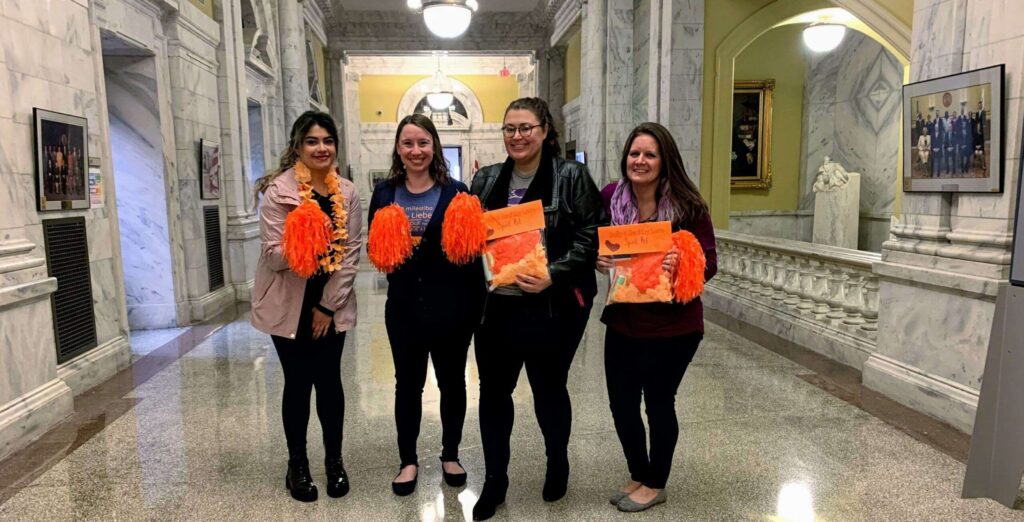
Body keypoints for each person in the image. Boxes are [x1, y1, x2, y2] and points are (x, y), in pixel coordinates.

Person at [469, 97, 607, 521]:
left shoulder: (572, 176)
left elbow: (591, 234)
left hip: (553, 306)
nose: (517, 136)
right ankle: (495, 480)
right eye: (510, 128)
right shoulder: (486, 179)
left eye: (526, 127)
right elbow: (472, 235)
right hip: (497, 309)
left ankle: (557, 461)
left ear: (546, 130)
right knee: (493, 394)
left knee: (549, 389)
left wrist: (555, 272)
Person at [598, 122, 717, 513]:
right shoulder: (611, 198)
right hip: (624, 320)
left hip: (674, 326)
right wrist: (597, 260)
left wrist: (684, 259)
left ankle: (656, 483)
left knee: (659, 403)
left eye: (650, 154)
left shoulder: (688, 205)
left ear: (665, 161)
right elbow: (593, 243)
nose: (640, 161)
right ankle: (638, 472)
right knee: (621, 404)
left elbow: (709, 263)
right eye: (634, 153)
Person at [367, 114, 484, 496]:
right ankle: (408, 460)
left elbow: (471, 252)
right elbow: (377, 250)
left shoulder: (457, 192)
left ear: (433, 146)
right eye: (408, 143)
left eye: (423, 143)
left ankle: (451, 453)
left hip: (453, 307)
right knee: (407, 385)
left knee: (452, 384)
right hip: (403, 309)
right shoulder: (384, 193)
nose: (415, 151)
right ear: (398, 149)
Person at [251, 111, 362, 503]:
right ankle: (296, 464)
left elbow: (350, 254)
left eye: (328, 140)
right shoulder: (277, 192)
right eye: (312, 141)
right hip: (288, 301)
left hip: (331, 300)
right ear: (298, 145)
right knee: (298, 383)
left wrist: (329, 306)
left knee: (329, 381)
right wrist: (308, 236)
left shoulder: (346, 192)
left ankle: (335, 461)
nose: (321, 148)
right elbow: (273, 256)